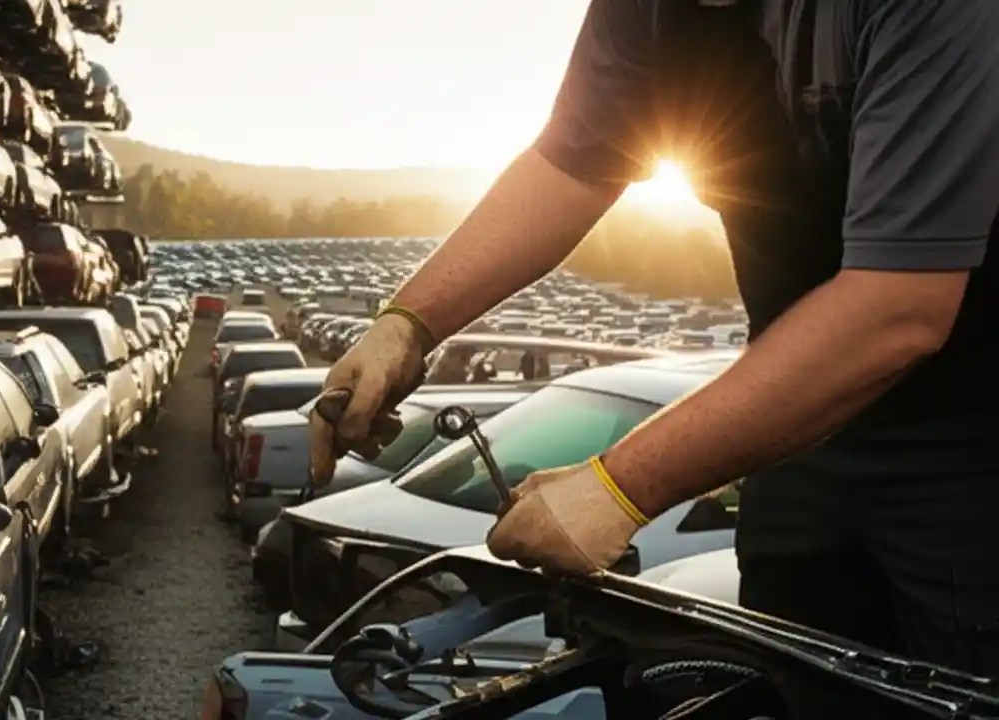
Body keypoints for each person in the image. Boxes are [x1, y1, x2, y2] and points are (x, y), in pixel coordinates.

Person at [309, 0, 999, 677]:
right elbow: (573, 162)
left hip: (968, 430)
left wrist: (619, 486)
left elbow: (899, 307)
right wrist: (408, 324)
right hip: (802, 417)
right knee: (794, 680)